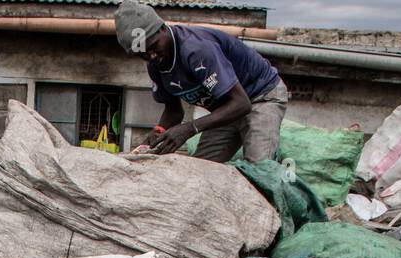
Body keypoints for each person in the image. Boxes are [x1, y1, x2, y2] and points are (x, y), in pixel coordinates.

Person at [114, 0, 288, 163]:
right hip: (226, 109)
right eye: (142, 53)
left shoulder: (196, 49)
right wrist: (158, 132)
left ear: (162, 29)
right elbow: (174, 111)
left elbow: (242, 104)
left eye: (153, 46)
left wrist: (190, 129)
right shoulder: (155, 65)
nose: (150, 55)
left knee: (260, 170)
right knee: (201, 169)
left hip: (261, 96)